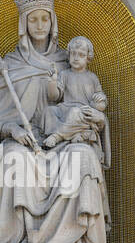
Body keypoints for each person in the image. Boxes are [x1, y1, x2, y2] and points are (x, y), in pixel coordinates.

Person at [0, 0, 110, 243]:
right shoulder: (9, 66)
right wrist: (12, 130)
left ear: (53, 22)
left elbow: (91, 107)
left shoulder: (69, 64)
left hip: (64, 140)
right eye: (33, 19)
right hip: (24, 141)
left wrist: (95, 121)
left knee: (84, 157)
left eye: (45, 19)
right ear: (24, 23)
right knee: (13, 159)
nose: (40, 25)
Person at [44, 35, 111, 168]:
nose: (76, 58)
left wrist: (101, 99)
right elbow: (54, 97)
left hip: (83, 113)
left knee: (75, 112)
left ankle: (57, 136)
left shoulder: (92, 77)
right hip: (65, 109)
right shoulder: (64, 74)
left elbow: (100, 100)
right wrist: (52, 81)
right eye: (73, 54)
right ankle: (59, 137)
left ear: (88, 58)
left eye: (81, 55)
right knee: (48, 110)